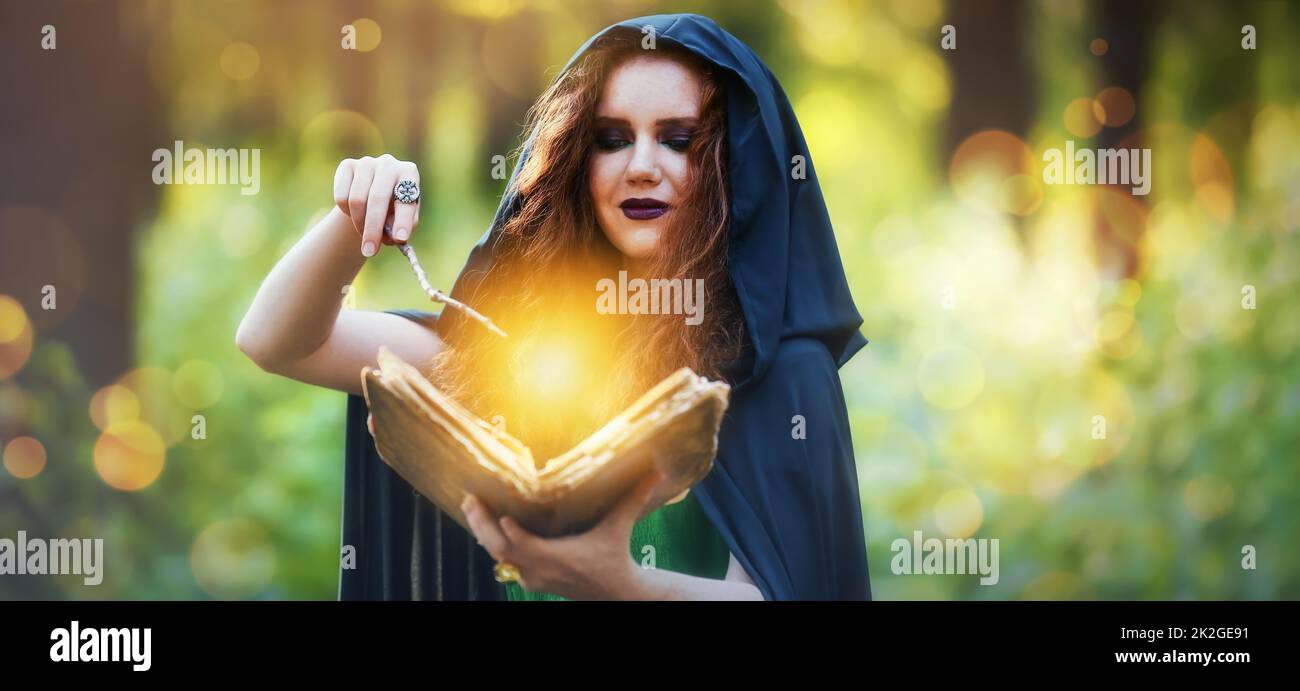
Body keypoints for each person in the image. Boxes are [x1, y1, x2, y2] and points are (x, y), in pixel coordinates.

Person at [236, 13, 871, 601]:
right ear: (577, 161)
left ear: (733, 165)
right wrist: (357, 218)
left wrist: (619, 583)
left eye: (679, 140)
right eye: (612, 139)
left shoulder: (781, 372)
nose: (643, 166)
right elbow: (277, 341)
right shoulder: (514, 355)